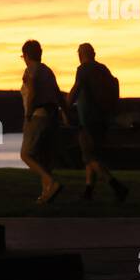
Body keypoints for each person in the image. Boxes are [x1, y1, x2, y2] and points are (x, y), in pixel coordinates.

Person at [68, 43, 128, 203]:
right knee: (92, 156)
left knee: (90, 157)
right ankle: (88, 192)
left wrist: (65, 106)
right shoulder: (103, 69)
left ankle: (116, 186)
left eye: (79, 53)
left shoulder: (83, 69)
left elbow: (76, 89)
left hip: (88, 120)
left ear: (81, 54)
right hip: (103, 119)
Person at [19, 39, 64, 204]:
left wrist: (28, 113)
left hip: (38, 116)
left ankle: (51, 183)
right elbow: (58, 94)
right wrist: (65, 113)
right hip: (52, 117)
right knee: (43, 158)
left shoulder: (30, 69)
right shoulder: (48, 71)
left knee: (26, 154)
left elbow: (32, 92)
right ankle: (46, 194)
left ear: (25, 55)